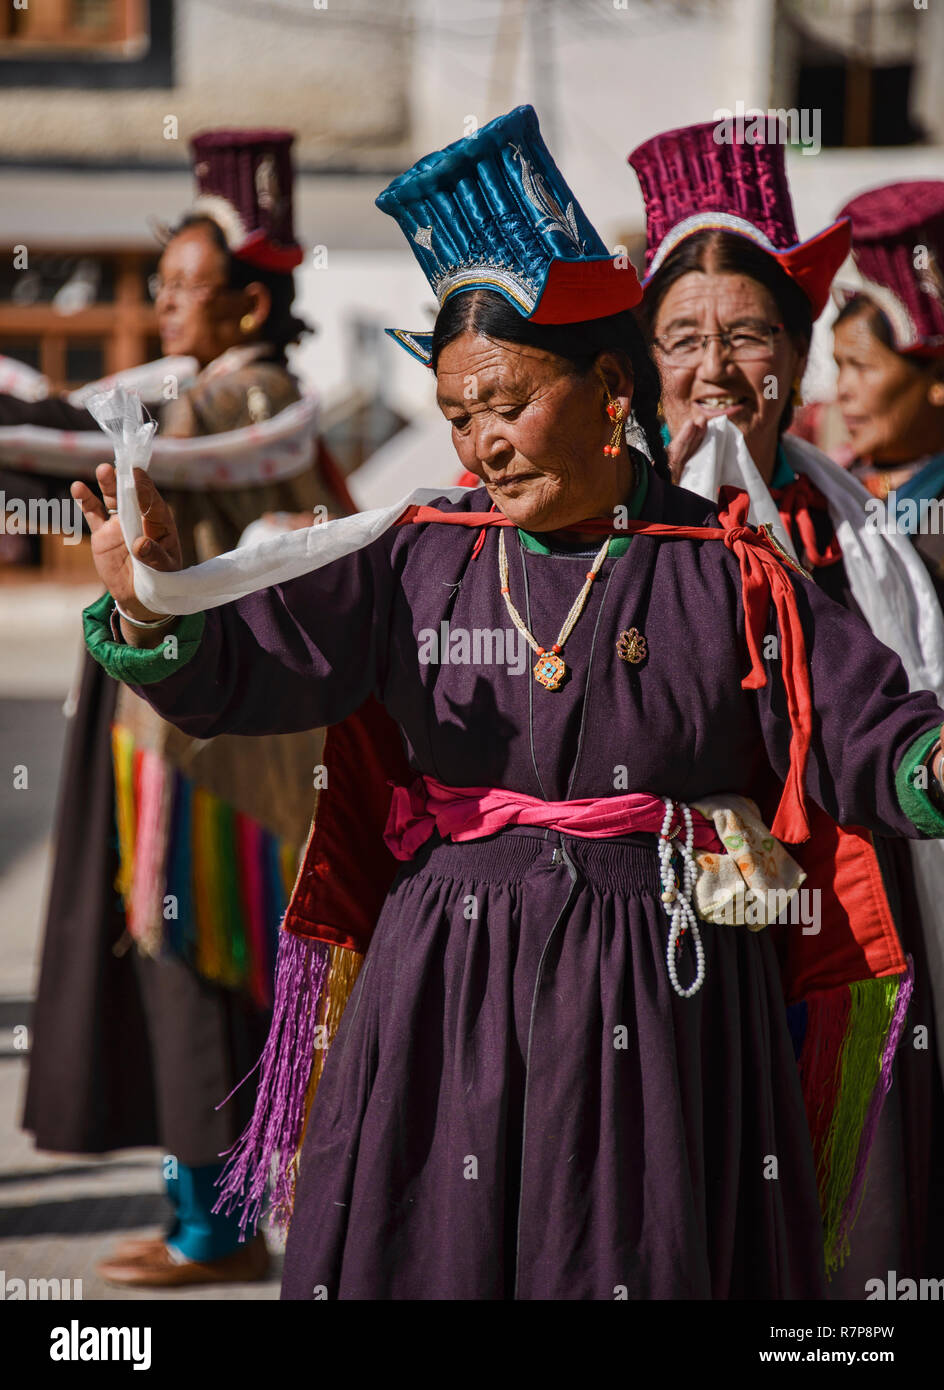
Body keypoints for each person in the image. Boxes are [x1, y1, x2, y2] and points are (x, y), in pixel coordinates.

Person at [74, 105, 944, 1301]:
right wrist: (152, 608)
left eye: (506, 403)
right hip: (446, 994)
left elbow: (863, 727)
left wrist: (929, 766)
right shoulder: (413, 556)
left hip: (664, 1001)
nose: (479, 442)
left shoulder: (727, 569)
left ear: (605, 390)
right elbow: (246, 666)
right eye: (458, 414)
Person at [8, 129, 353, 1288]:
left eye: (185, 288)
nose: (160, 306)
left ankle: (221, 1229)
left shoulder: (243, 400)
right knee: (180, 978)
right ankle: (205, 1213)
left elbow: (74, 446)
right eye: (157, 286)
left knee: (197, 973)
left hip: (208, 757)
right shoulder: (194, 395)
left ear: (250, 310)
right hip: (180, 735)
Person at [628, 122, 944, 1290]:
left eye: (747, 334)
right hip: (649, 962)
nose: (712, 368)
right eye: (681, 338)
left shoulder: (855, 542)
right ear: (637, 361)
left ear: (794, 364)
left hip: (842, 951)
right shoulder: (587, 536)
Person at [833, 182, 944, 598]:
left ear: (938, 382)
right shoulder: (825, 490)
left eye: (862, 367)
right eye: (839, 365)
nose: (842, 389)